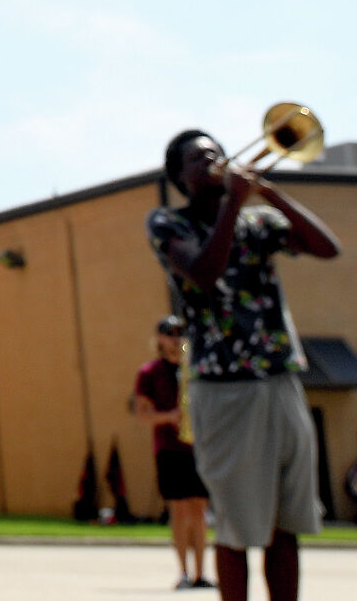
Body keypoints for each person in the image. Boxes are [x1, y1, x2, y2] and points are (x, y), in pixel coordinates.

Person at [149, 129, 341, 601]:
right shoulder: (170, 223)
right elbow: (202, 273)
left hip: (281, 379)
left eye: (215, 152)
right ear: (180, 176)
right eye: (198, 158)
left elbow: (326, 247)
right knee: (236, 526)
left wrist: (269, 194)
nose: (212, 160)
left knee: (287, 522)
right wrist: (234, 202)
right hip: (224, 389)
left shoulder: (258, 222)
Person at [131, 315, 211, 590]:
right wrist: (170, 416)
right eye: (170, 334)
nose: (176, 339)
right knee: (179, 510)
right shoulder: (149, 372)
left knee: (199, 509)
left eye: (180, 333)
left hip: (198, 447)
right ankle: (183, 572)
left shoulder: (195, 368)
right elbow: (141, 414)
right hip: (169, 448)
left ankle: (201, 573)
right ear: (159, 339)